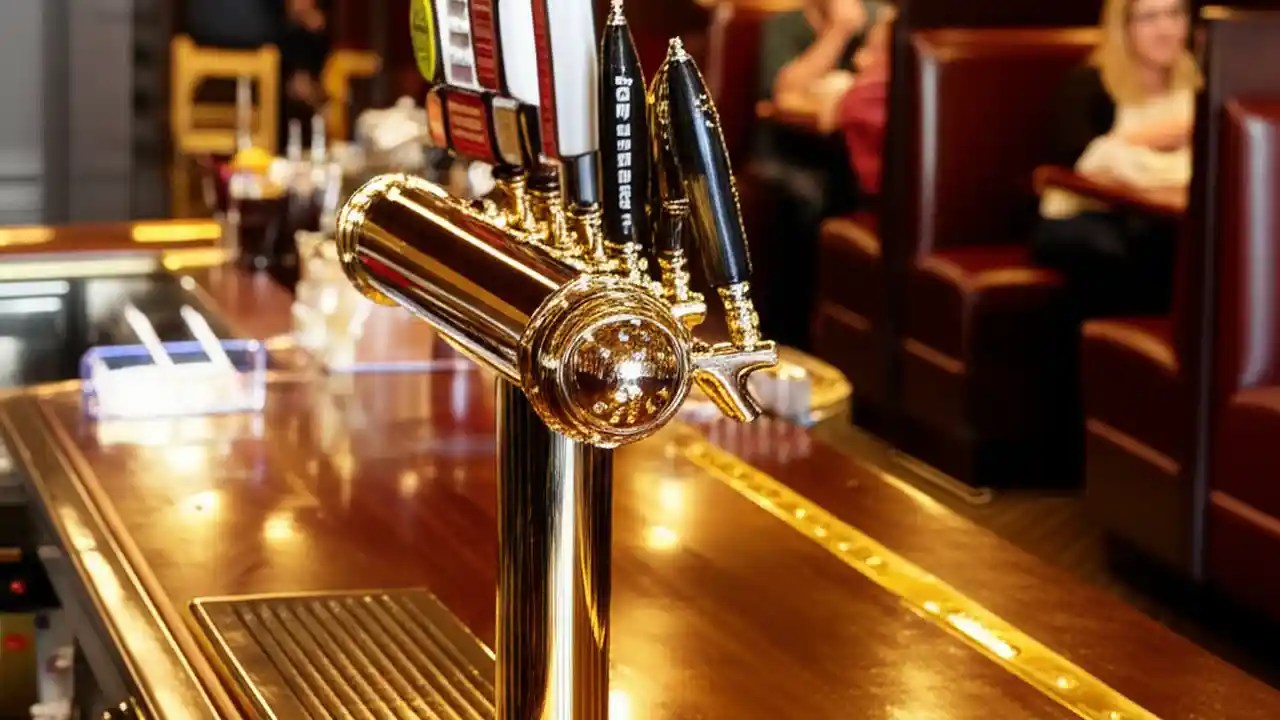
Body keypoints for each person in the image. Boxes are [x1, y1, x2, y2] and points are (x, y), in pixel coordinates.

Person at [1033, 0, 1201, 316]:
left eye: (1175, 14)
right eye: (1150, 18)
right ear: (1123, 29)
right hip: (1083, 217)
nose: (1167, 30)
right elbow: (1078, 158)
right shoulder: (1089, 83)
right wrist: (1157, 137)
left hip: (1163, 219)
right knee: (1137, 250)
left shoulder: (1199, 81)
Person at [752, 0, 884, 347]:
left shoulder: (876, 19)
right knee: (811, 198)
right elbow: (781, 95)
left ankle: (839, 336)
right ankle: (790, 331)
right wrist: (837, 33)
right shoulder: (785, 26)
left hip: (843, 156)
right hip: (787, 154)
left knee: (854, 193)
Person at [818, 5, 894, 202]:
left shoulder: (866, 94)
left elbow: (826, 121)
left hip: (888, 208)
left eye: (872, 49)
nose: (859, 59)